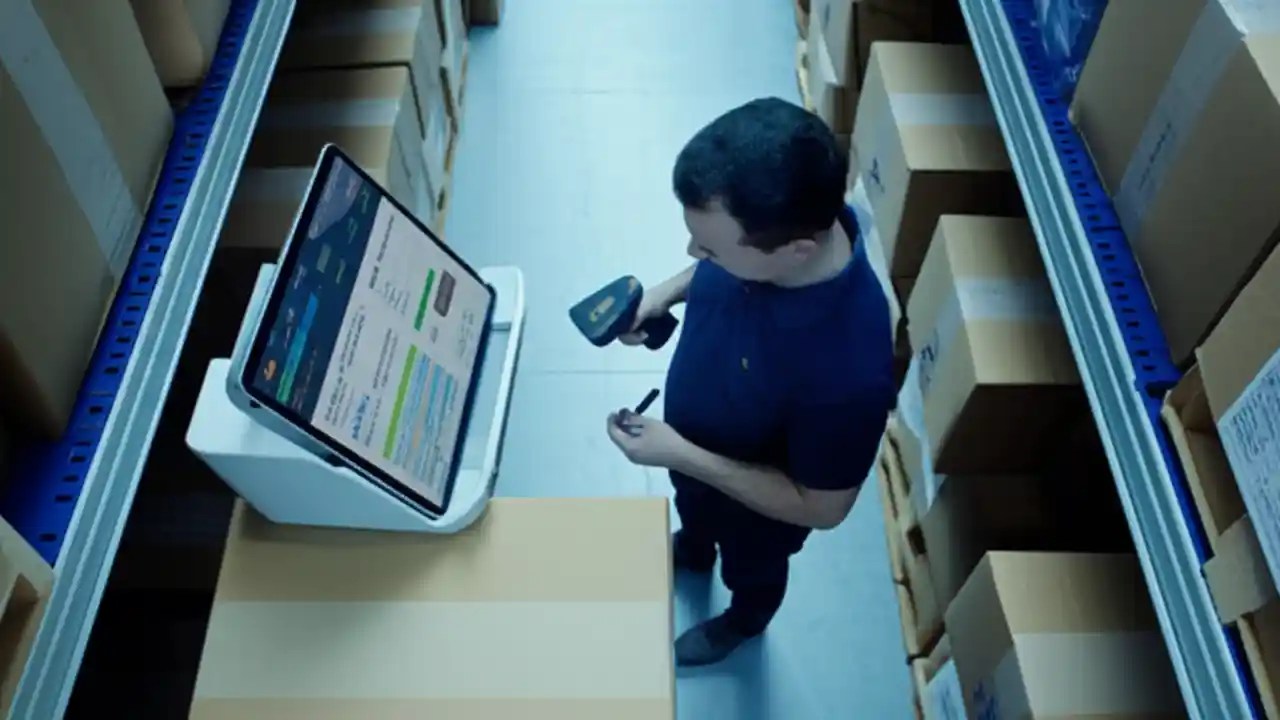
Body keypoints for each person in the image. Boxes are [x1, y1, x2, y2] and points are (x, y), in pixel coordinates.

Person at [604, 97, 895, 667]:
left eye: (709, 247)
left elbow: (823, 507)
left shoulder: (849, 372)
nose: (694, 254)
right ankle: (694, 549)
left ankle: (742, 623)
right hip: (691, 462)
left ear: (795, 252)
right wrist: (665, 293)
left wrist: (682, 453)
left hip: (756, 516)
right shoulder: (787, 224)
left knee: (752, 570)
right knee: (694, 515)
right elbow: (713, 267)